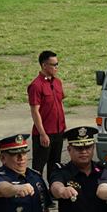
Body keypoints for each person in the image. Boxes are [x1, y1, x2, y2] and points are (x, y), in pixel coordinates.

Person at [28, 50, 66, 182]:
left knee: (55, 165)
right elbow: (35, 111)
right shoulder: (36, 86)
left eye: (57, 64)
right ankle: (38, 193)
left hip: (58, 131)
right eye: (53, 64)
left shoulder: (57, 82)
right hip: (44, 133)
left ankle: (53, 190)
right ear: (44, 65)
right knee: (38, 166)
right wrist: (42, 133)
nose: (56, 67)